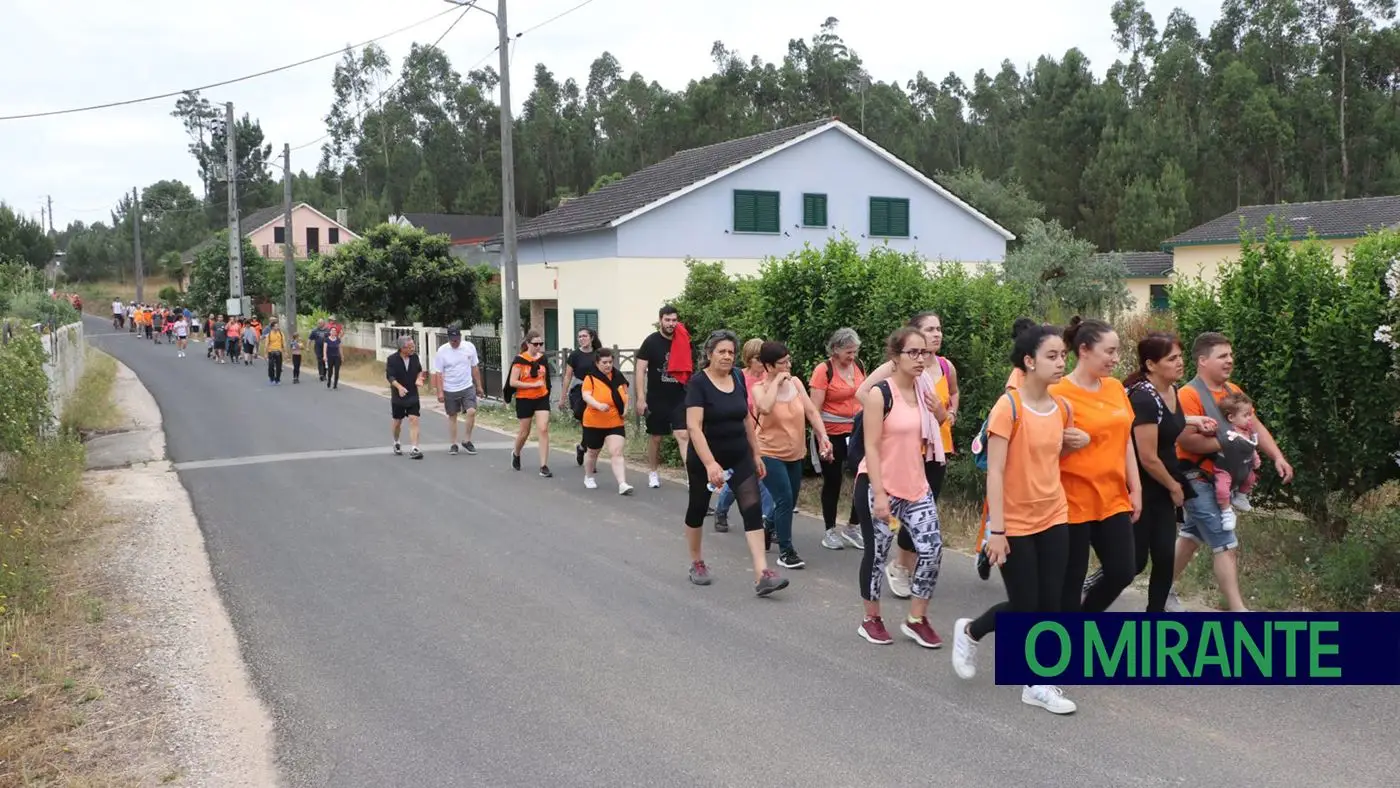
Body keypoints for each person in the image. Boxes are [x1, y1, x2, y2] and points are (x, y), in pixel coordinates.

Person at [951, 322, 1079, 716]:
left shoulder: (1062, 407)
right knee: (1026, 606)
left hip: (1054, 514)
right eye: (1052, 356)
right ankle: (971, 630)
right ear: (1029, 361)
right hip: (1016, 523)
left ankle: (1037, 683)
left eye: (1063, 356)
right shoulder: (1007, 408)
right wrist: (998, 532)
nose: (1061, 363)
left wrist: (1077, 444)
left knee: (1052, 603)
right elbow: (996, 472)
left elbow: (1049, 459)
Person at [1171, 332, 1293, 612]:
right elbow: (1186, 440)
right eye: (1222, 356)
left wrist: (1277, 456)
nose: (1230, 361)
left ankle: (1160, 589)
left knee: (1191, 538)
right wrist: (1230, 439)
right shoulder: (1188, 394)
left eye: (1230, 355)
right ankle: (1238, 611)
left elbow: (1255, 427)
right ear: (1202, 361)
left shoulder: (1231, 390)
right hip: (1196, 479)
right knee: (1226, 544)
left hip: (1222, 480)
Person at [1084, 332, 1192, 612]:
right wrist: (1174, 486)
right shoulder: (1143, 398)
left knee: (1166, 557)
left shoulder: (1172, 390)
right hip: (1141, 487)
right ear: (1151, 365)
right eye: (1172, 358)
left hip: (1164, 488)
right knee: (1134, 563)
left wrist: (1194, 421)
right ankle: (1085, 610)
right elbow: (1147, 456)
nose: (1180, 362)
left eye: (1180, 356)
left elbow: (1166, 425)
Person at [855, 327, 945, 649]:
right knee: (877, 555)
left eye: (925, 353)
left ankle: (916, 619)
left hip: (916, 487)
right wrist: (879, 495)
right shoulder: (882, 394)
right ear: (895, 356)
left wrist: (939, 411)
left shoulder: (924, 391)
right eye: (914, 352)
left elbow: (943, 422)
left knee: (932, 550)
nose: (921, 358)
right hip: (881, 486)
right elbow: (872, 447)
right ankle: (871, 619)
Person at [859, 312, 957, 599]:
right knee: (878, 546)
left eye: (939, 329)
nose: (936, 334)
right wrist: (886, 417)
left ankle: (916, 610)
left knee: (926, 531)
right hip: (892, 460)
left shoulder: (943, 365)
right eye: (929, 329)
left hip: (933, 450)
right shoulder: (895, 369)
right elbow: (863, 393)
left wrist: (943, 413)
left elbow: (950, 399)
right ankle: (896, 573)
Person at [683, 329, 787, 596]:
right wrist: (709, 464)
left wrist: (756, 454)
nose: (727, 357)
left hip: (739, 455)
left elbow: (746, 420)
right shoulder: (698, 383)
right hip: (706, 459)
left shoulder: (739, 378)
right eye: (722, 352)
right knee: (697, 508)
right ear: (709, 354)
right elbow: (694, 428)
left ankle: (762, 574)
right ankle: (697, 562)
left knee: (752, 508)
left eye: (731, 352)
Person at [1050, 317, 1141, 614]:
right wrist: (1066, 444)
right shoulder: (1057, 392)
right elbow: (1038, 450)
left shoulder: (1115, 388)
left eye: (1117, 351)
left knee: (1123, 570)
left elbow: (1126, 439)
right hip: (1071, 498)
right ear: (1085, 350)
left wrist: (1135, 488)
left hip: (1113, 497)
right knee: (1070, 580)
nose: (1116, 359)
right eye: (1110, 351)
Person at [751, 340, 833, 569]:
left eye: (789, 360)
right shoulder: (759, 388)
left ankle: (768, 526)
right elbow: (764, 407)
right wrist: (776, 381)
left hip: (795, 452)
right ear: (768, 366)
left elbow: (811, 412)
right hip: (769, 452)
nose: (788, 366)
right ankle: (786, 551)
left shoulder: (796, 383)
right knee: (784, 499)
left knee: (790, 498)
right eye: (782, 363)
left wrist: (823, 437)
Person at [807, 327, 866, 550]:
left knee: (863, 477)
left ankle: (852, 527)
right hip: (831, 433)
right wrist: (822, 438)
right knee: (833, 481)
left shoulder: (859, 366)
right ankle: (829, 530)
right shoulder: (823, 370)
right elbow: (814, 409)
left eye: (854, 351)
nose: (852, 356)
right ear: (835, 350)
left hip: (857, 431)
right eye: (848, 352)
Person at [713, 338, 776, 535]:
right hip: (742, 434)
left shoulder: (769, 377)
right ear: (749, 359)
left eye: (764, 359)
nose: (762, 363)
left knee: (763, 478)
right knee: (740, 478)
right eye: (758, 358)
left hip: (766, 434)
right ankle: (721, 510)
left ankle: (768, 522)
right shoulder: (739, 377)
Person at [635, 305, 691, 489]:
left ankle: (691, 477)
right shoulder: (651, 342)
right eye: (667, 320)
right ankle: (653, 472)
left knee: (683, 434)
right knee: (656, 437)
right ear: (660, 320)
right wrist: (641, 398)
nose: (671, 324)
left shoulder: (682, 339)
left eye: (674, 320)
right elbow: (640, 370)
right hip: (657, 397)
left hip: (679, 396)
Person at [580, 347, 634, 495]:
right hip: (594, 421)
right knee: (592, 452)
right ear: (597, 363)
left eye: (610, 362)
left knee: (616, 451)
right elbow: (586, 395)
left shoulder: (618, 376)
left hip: (615, 421)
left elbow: (625, 395)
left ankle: (622, 483)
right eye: (604, 362)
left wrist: (626, 409)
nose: (608, 365)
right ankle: (589, 476)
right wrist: (598, 405)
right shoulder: (590, 378)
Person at [433, 326, 484, 456]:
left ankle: (467, 440)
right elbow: (438, 373)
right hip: (450, 388)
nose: (455, 342)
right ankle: (453, 443)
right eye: (452, 340)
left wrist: (479, 386)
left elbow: (474, 367)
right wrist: (440, 392)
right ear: (448, 339)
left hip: (467, 386)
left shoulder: (469, 347)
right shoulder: (442, 351)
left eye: (456, 339)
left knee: (471, 411)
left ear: (460, 337)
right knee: (452, 416)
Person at [508, 329, 553, 477]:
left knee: (543, 428)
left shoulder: (543, 359)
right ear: (528, 344)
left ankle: (544, 465)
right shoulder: (519, 360)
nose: (538, 347)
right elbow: (513, 382)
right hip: (524, 398)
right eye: (535, 344)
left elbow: (547, 379)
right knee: (524, 432)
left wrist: (546, 390)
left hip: (541, 397)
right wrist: (531, 385)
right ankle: (516, 452)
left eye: (541, 344)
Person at [1213, 392, 1261, 529]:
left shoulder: (1248, 432)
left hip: (1243, 467)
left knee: (1251, 478)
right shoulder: (1229, 433)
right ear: (1231, 417)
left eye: (1250, 415)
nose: (1249, 419)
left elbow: (1251, 447)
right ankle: (1226, 511)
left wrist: (1255, 458)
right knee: (1222, 489)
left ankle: (1240, 496)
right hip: (1225, 468)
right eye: (1245, 415)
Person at [561, 326, 600, 466]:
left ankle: (585, 450)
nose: (582, 339)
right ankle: (584, 447)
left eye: (584, 336)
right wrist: (562, 397)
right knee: (580, 415)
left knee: (590, 423)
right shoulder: (575, 355)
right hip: (578, 390)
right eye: (580, 337)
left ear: (591, 338)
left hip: (595, 391)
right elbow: (567, 376)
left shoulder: (597, 354)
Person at [386, 335, 425, 459]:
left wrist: (419, 378)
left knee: (414, 419)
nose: (413, 349)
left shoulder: (414, 357)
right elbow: (390, 377)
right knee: (398, 421)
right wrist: (399, 387)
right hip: (399, 394)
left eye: (413, 346)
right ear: (402, 348)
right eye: (410, 347)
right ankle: (396, 442)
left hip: (412, 393)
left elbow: (419, 370)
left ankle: (415, 448)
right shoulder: (392, 359)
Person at [264, 319, 286, 385]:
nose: (277, 327)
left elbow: (284, 343)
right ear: (273, 327)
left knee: (279, 367)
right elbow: (266, 344)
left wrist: (285, 352)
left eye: (278, 326)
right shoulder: (269, 334)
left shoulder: (281, 334)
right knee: (271, 366)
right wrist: (265, 354)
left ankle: (278, 379)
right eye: (276, 326)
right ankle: (271, 377)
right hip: (271, 352)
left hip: (279, 352)